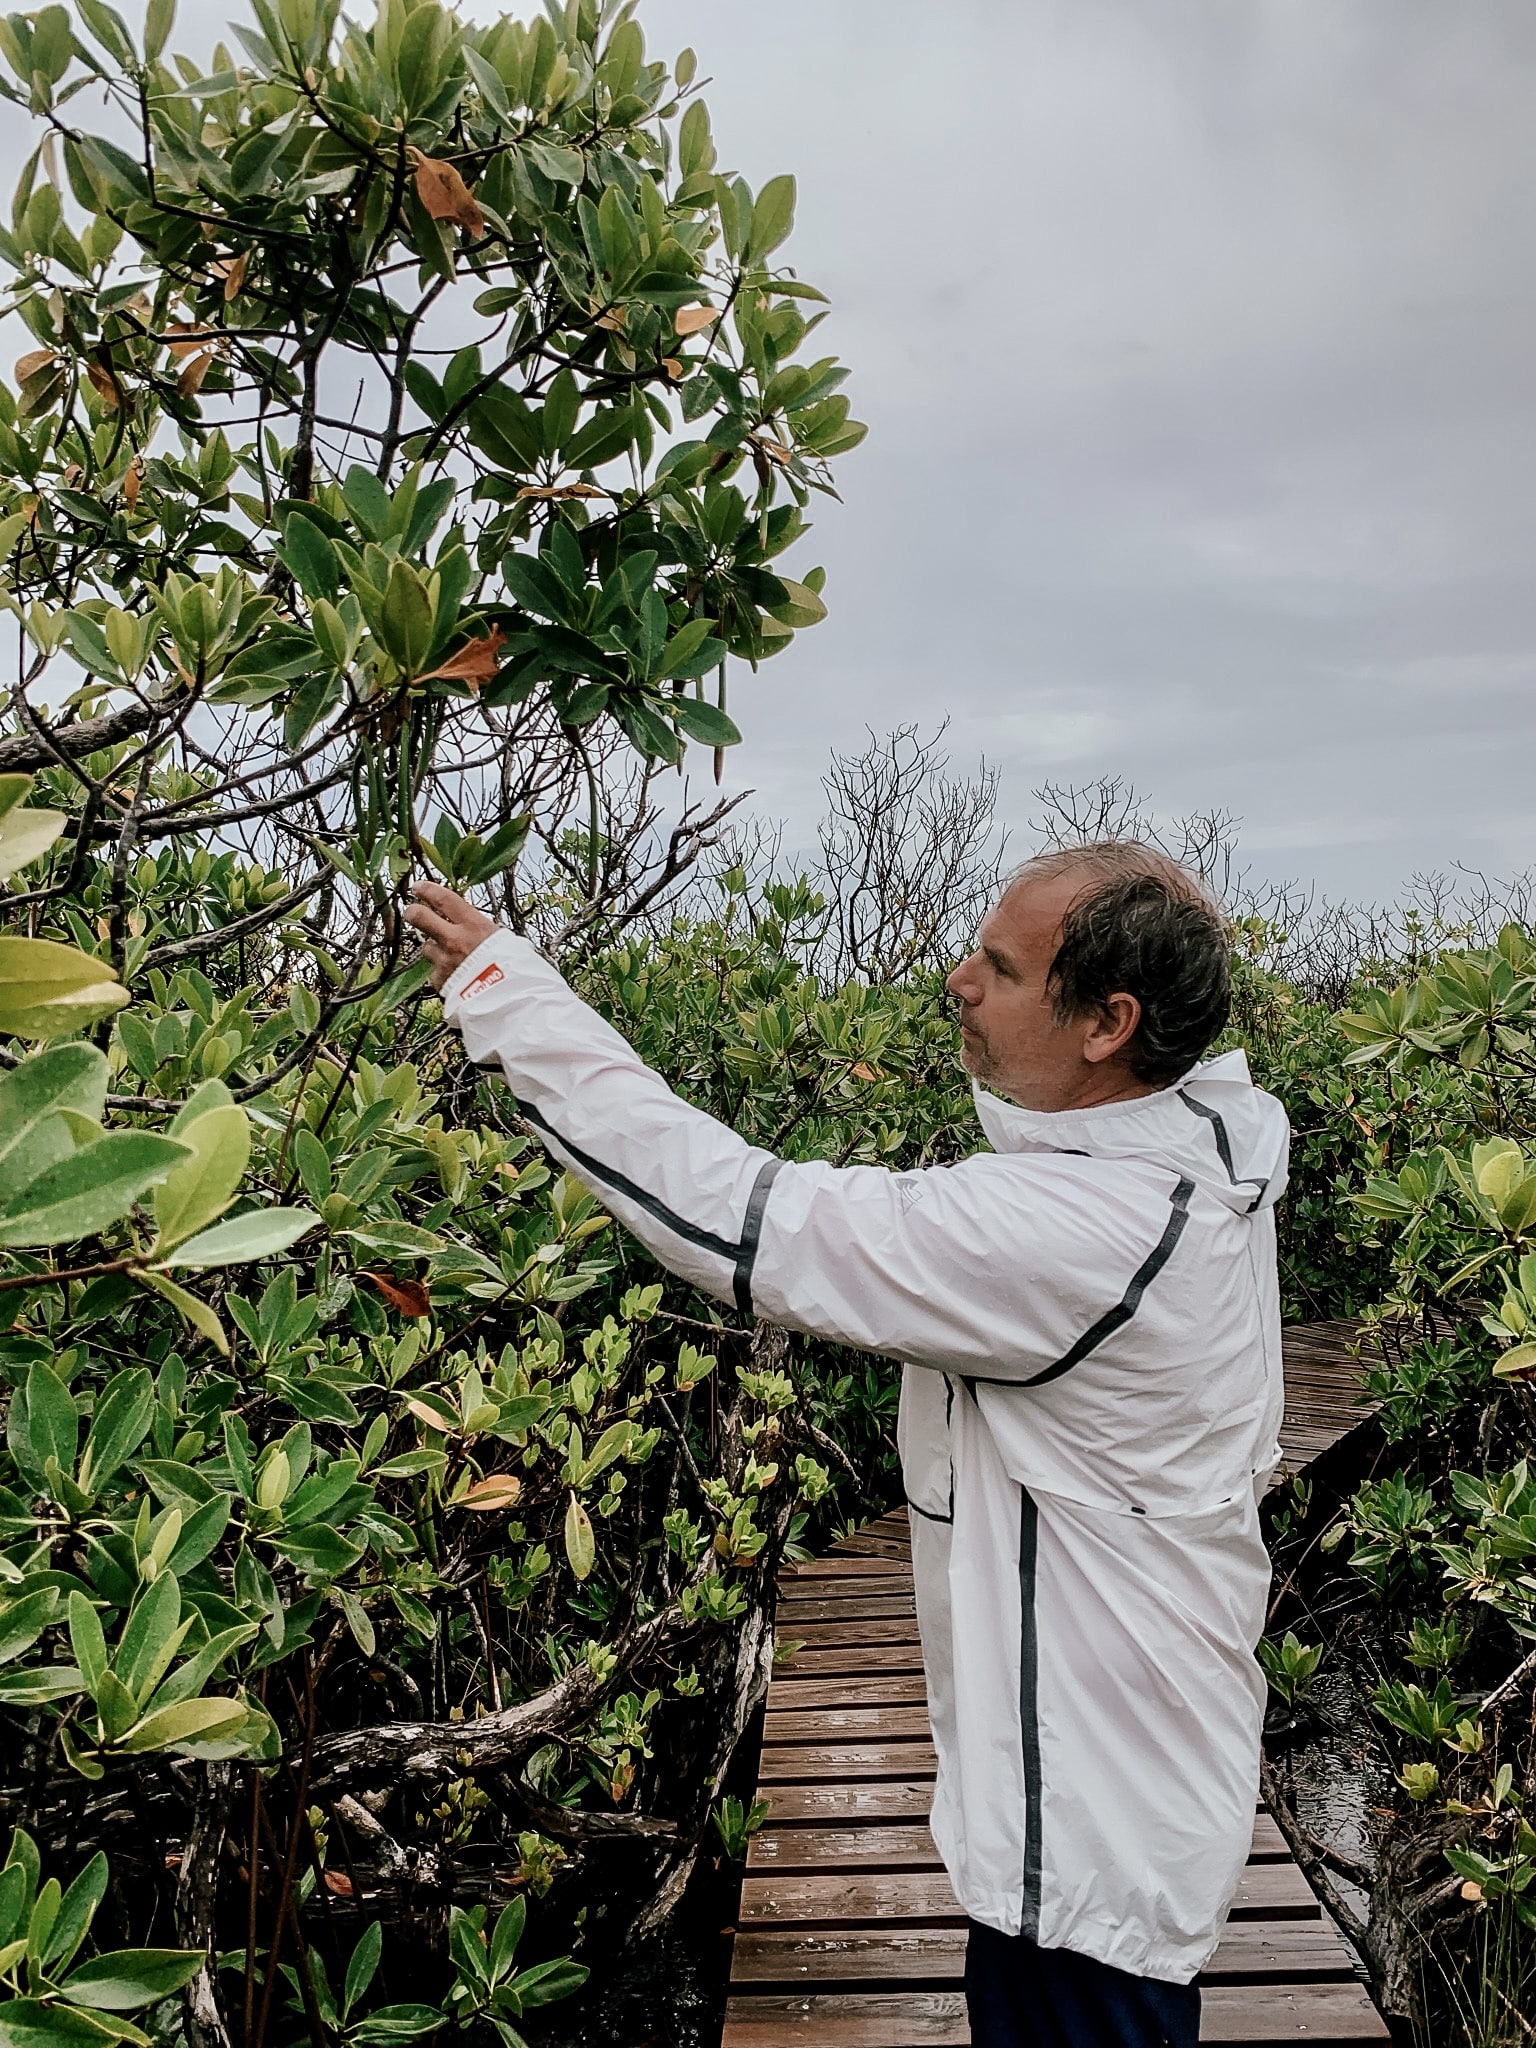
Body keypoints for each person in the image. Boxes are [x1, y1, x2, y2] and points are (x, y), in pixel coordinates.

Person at [404, 842, 1290, 2048]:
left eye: (1000, 965)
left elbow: (736, 1216)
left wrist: (512, 994)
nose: (958, 980)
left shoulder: (1084, 1228)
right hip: (1123, 1772)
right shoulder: (1205, 1142)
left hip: (1088, 1828)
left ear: (1109, 1023)